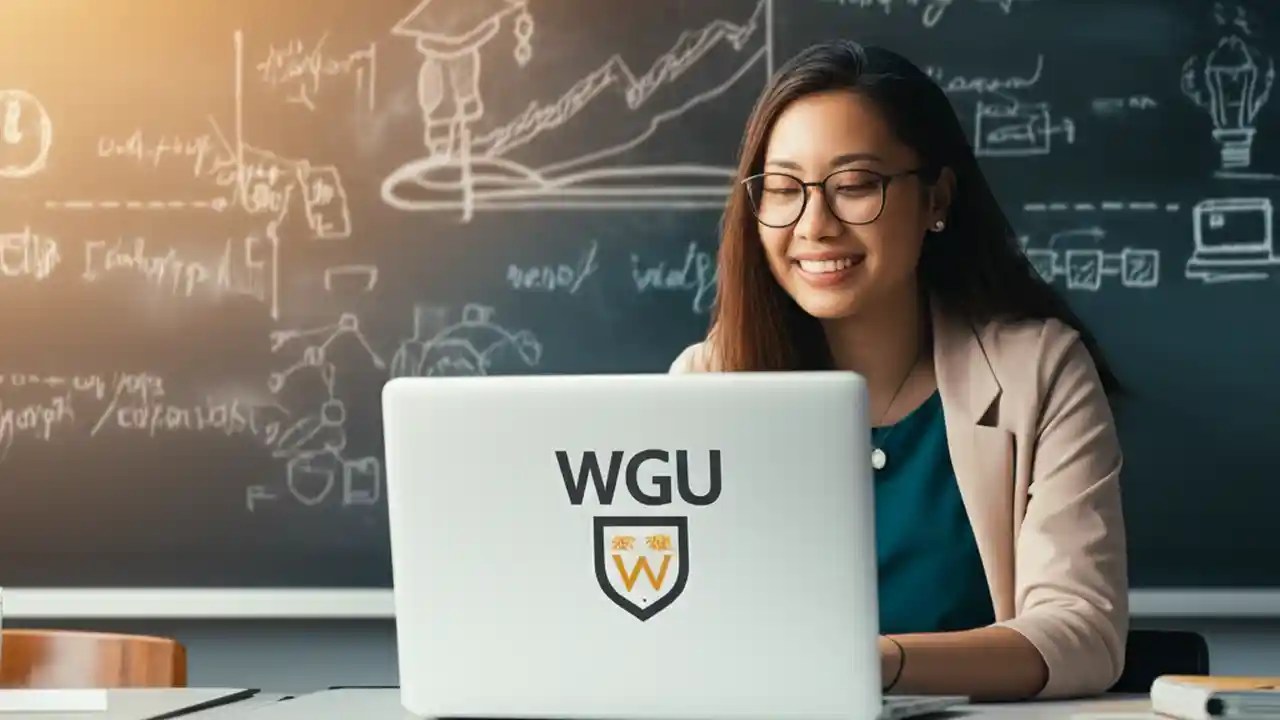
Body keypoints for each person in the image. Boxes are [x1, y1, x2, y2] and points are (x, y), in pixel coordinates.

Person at [669, 40, 1128, 702]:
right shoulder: (705, 383)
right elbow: (678, 632)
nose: (815, 225)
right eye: (782, 189)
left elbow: (1082, 633)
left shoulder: (1041, 371)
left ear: (936, 198)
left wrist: (865, 663)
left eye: (855, 186)